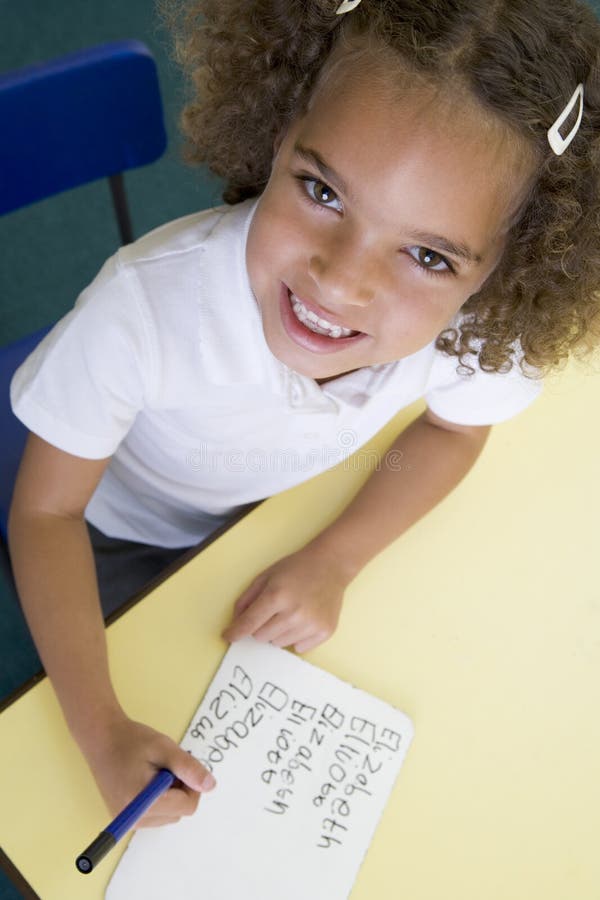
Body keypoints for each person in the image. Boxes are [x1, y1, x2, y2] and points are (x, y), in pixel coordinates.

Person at [8, 0, 600, 828]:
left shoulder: (478, 329)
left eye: (428, 255)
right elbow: (44, 511)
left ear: (509, 261)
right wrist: (101, 729)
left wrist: (336, 558)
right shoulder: (141, 309)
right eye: (322, 191)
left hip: (276, 511)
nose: (340, 283)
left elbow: (457, 429)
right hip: (116, 526)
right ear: (281, 131)